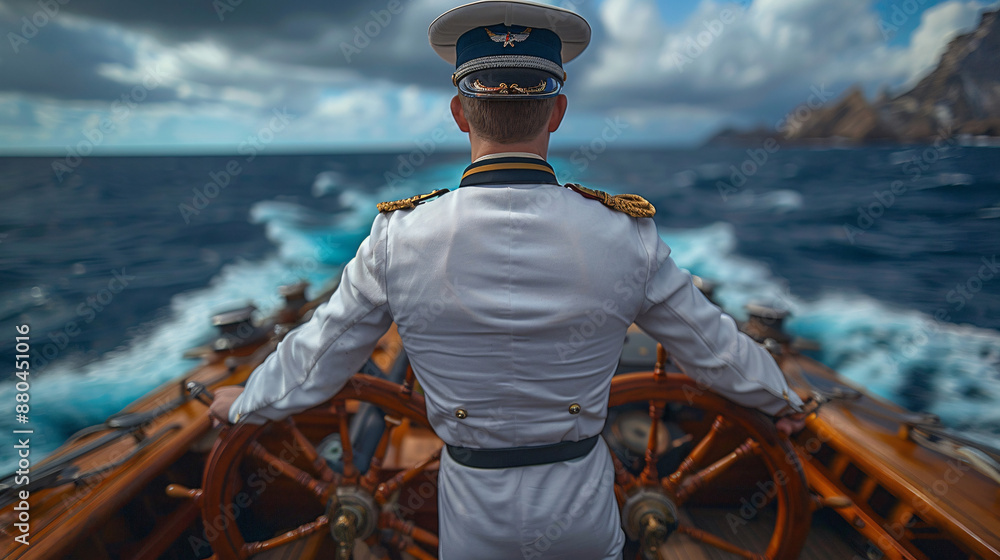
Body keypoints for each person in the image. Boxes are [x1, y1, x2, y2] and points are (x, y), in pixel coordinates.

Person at [211, 1, 806, 557]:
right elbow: (716, 352)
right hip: (584, 512)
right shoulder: (627, 236)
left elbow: (319, 359)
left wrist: (246, 404)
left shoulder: (396, 239)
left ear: (458, 113)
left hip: (472, 517)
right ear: (557, 111)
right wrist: (781, 400)